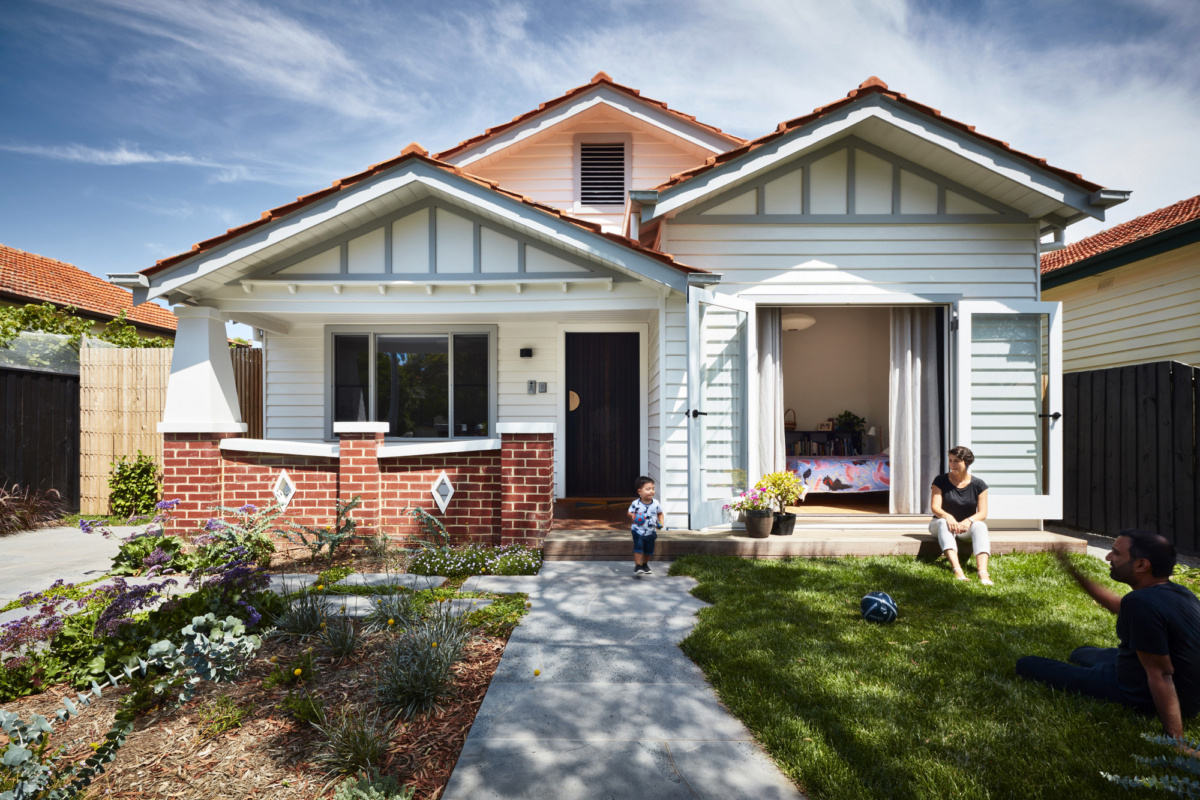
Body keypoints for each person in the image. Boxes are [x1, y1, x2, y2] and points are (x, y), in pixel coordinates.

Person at [1016, 531, 1200, 740]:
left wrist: (1176, 740)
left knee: (1026, 664)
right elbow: (1118, 606)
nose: (1107, 557)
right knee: (1080, 652)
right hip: (1183, 689)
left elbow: (1161, 674)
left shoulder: (1140, 603)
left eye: (1116, 553)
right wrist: (1074, 573)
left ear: (1141, 565)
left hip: (1140, 692)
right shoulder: (1179, 592)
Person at [930, 445, 991, 584]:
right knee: (943, 522)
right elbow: (935, 507)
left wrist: (968, 521)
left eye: (956, 461)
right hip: (939, 525)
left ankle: (983, 573)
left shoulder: (979, 484)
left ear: (967, 463)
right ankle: (957, 570)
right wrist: (948, 517)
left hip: (964, 529)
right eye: (950, 460)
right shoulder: (940, 480)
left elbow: (983, 513)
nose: (952, 464)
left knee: (980, 525)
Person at [628, 475, 664, 576]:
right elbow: (629, 512)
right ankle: (637, 566)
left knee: (649, 550)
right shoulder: (636, 503)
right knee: (638, 548)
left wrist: (661, 522)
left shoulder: (656, 503)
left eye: (653, 489)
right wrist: (632, 516)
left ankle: (644, 564)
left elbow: (660, 513)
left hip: (651, 531)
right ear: (640, 491)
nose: (651, 491)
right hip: (637, 530)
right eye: (648, 489)